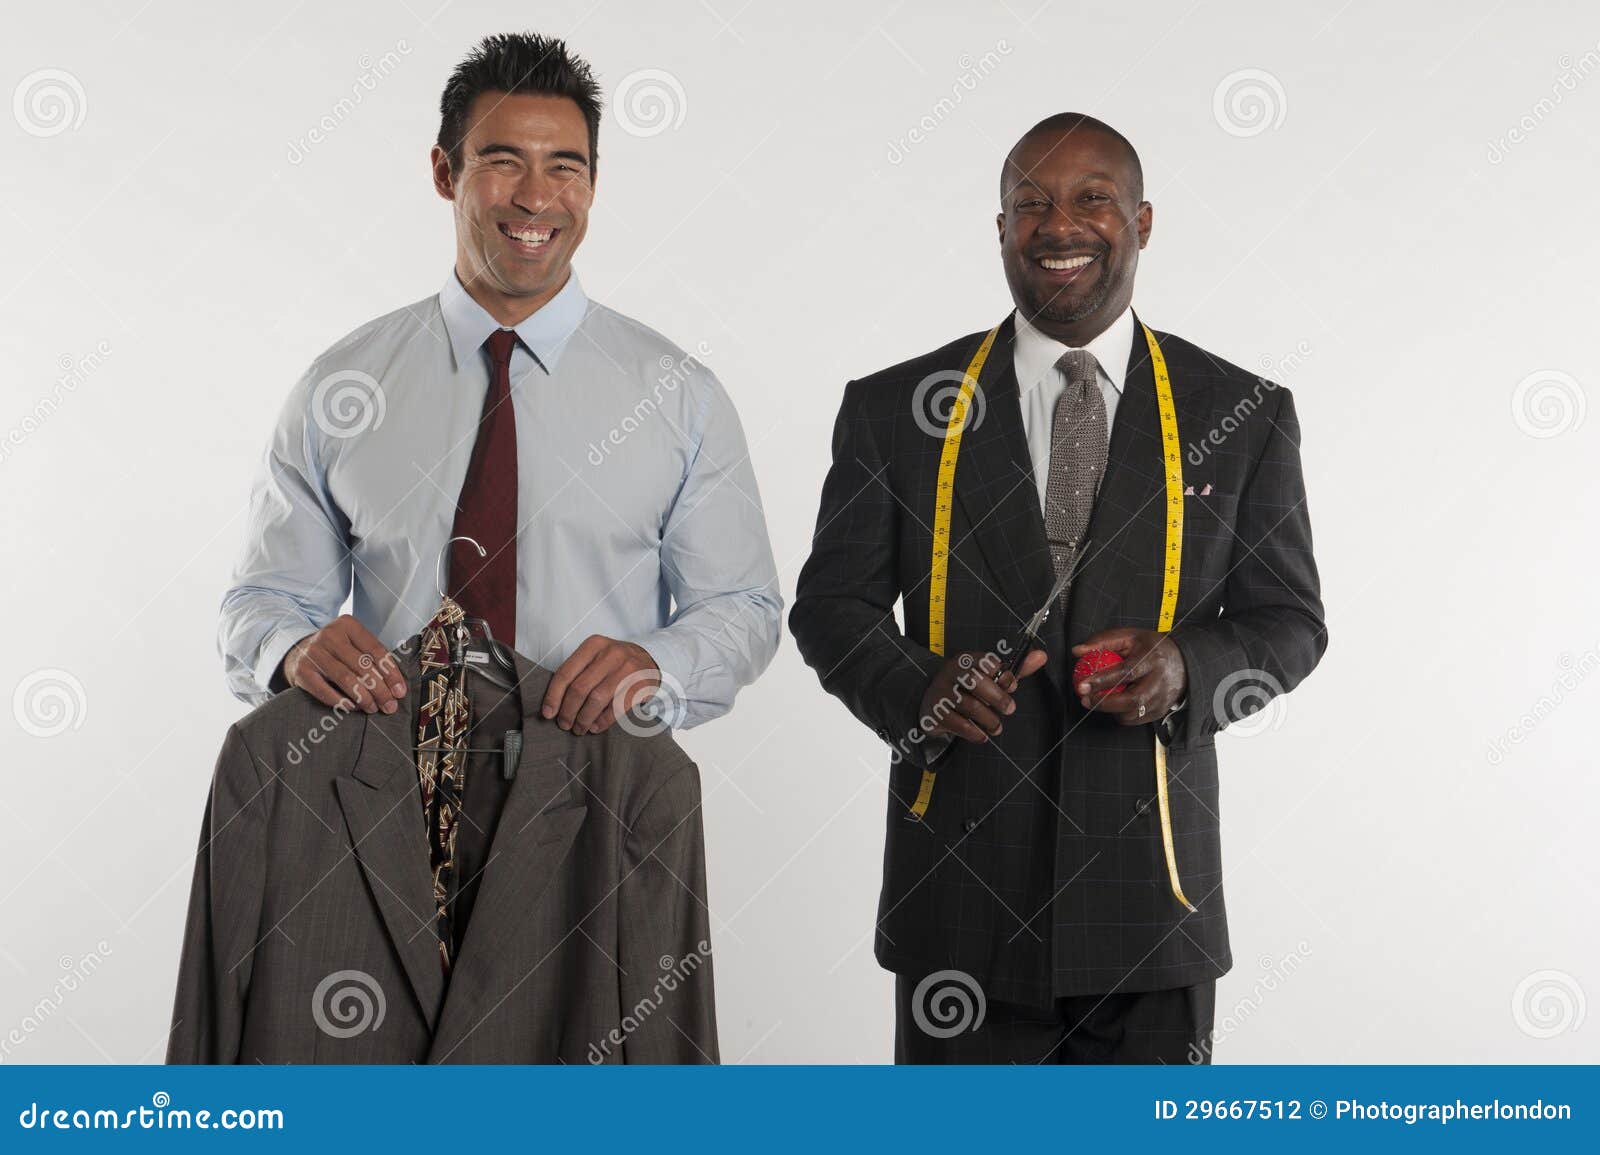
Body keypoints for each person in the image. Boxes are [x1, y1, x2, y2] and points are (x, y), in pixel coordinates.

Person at [790, 113, 1327, 1063]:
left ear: (1144, 222)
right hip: (960, 895)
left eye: (1092, 200)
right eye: (1029, 202)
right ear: (998, 228)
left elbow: (1289, 621)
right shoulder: (896, 408)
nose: (1058, 225)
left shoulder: (1240, 412)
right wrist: (917, 685)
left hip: (1152, 903)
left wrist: (1189, 667)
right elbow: (831, 606)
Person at [219, 33, 780, 735]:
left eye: (564, 167)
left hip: (593, 793)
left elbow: (741, 607)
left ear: (593, 185)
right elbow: (262, 602)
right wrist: (293, 647)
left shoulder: (677, 396)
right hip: (379, 791)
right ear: (444, 173)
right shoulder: (342, 388)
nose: (537, 197)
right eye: (503, 160)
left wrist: (657, 663)